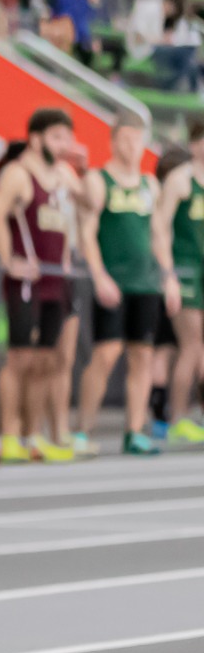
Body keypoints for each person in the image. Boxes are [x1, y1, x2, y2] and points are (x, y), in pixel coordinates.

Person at [0, 110, 81, 464]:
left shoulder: (64, 175)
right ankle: (9, 435)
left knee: (46, 360)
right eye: (57, 137)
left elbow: (87, 206)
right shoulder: (19, 174)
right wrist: (9, 260)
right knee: (20, 358)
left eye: (67, 137)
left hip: (57, 279)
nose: (64, 145)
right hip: (27, 281)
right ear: (36, 139)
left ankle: (33, 436)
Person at [76, 112, 173, 458]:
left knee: (143, 356)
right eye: (126, 139)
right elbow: (86, 233)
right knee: (106, 353)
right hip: (113, 282)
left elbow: (160, 236)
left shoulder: (151, 184)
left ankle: (134, 430)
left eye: (137, 140)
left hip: (146, 283)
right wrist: (99, 275)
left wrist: (169, 277)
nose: (132, 146)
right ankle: (83, 429)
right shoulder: (99, 180)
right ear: (113, 141)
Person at [156, 122, 204, 446]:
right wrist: (168, 274)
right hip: (186, 273)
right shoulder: (180, 179)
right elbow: (159, 228)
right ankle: (177, 417)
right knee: (190, 345)